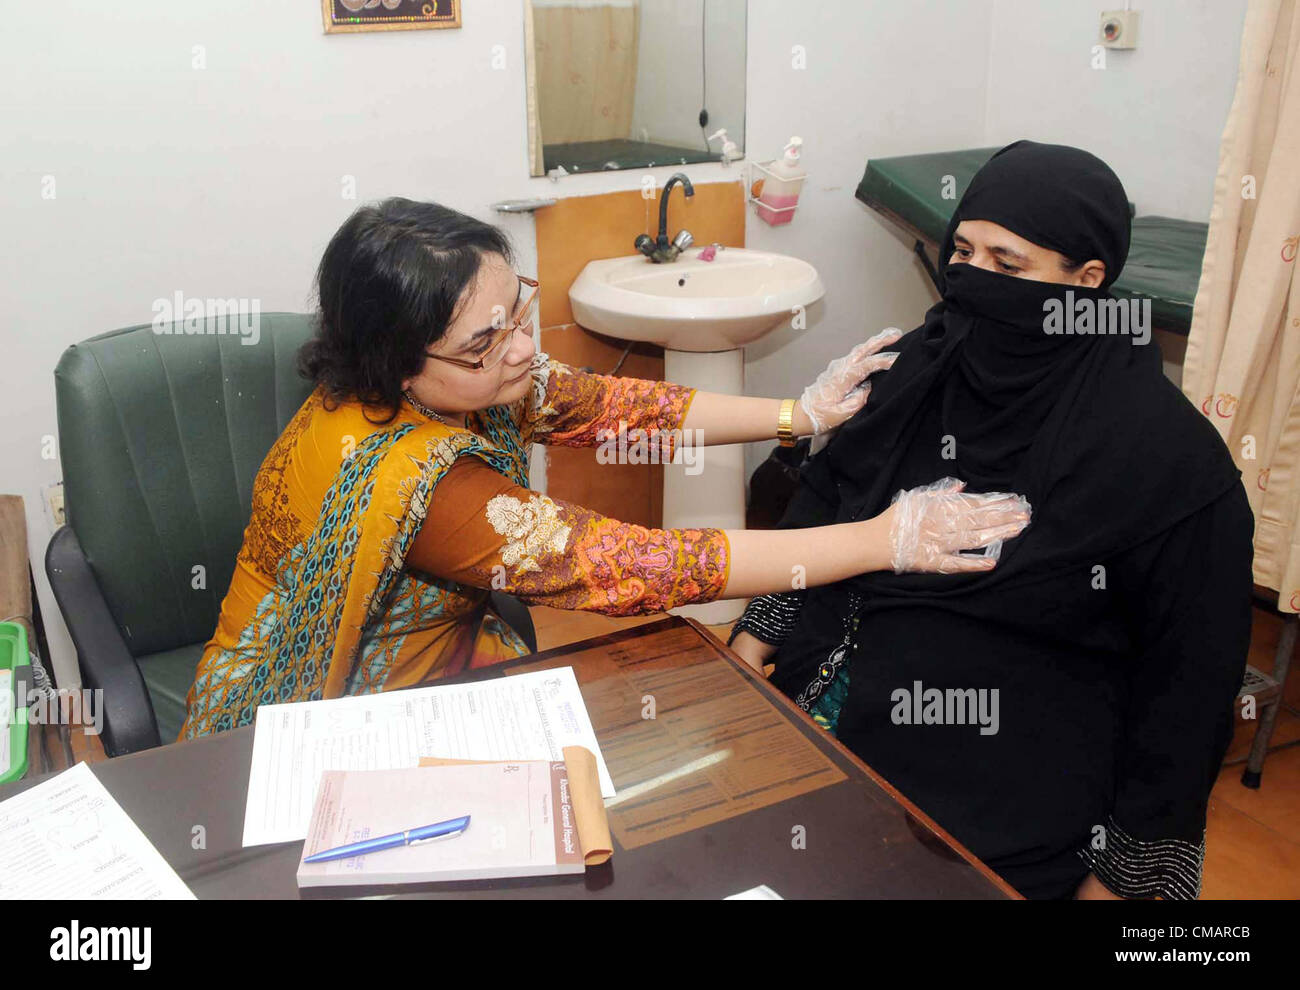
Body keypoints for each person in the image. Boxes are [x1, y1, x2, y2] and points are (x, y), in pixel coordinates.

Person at [179, 197, 1029, 739]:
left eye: (518, 309)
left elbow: (616, 407)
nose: (524, 349)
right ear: (399, 366)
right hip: (319, 713)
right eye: (487, 341)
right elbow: (642, 562)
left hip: (438, 658)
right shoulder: (416, 483)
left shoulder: (472, 376)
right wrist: (885, 538)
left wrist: (796, 414)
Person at [729, 141, 1254, 900]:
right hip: (826, 707)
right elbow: (827, 496)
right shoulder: (923, 363)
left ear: (1088, 281)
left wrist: (1129, 880)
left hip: (1003, 790)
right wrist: (756, 634)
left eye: (1010, 267)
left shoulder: (1165, 461)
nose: (974, 281)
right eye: (964, 252)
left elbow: (1189, 694)